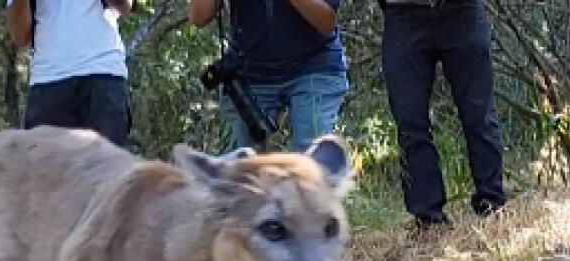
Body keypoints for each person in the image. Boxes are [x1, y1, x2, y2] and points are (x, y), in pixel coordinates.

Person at [379, 0, 506, 228]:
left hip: (461, 12)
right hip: (402, 13)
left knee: (479, 114)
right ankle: (428, 218)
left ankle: (492, 204)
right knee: (410, 123)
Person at [189, 0, 349, 153]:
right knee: (237, 164)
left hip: (314, 67)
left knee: (311, 161)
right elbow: (199, 17)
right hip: (249, 72)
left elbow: (326, 22)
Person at [6, 0, 132, 147]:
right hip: (48, 81)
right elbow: (20, 36)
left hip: (102, 75)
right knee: (44, 167)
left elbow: (125, 6)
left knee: (106, 167)